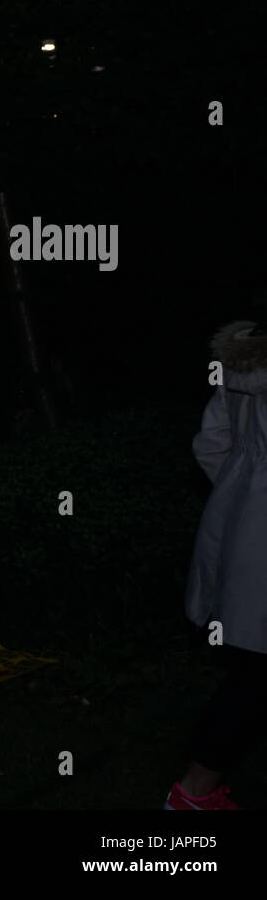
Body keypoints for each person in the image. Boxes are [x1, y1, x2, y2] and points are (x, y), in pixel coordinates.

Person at [167, 315, 267, 810]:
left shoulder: (243, 359)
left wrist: (241, 498)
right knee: (254, 679)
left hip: (244, 528)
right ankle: (192, 794)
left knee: (253, 671)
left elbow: (210, 444)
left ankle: (193, 792)